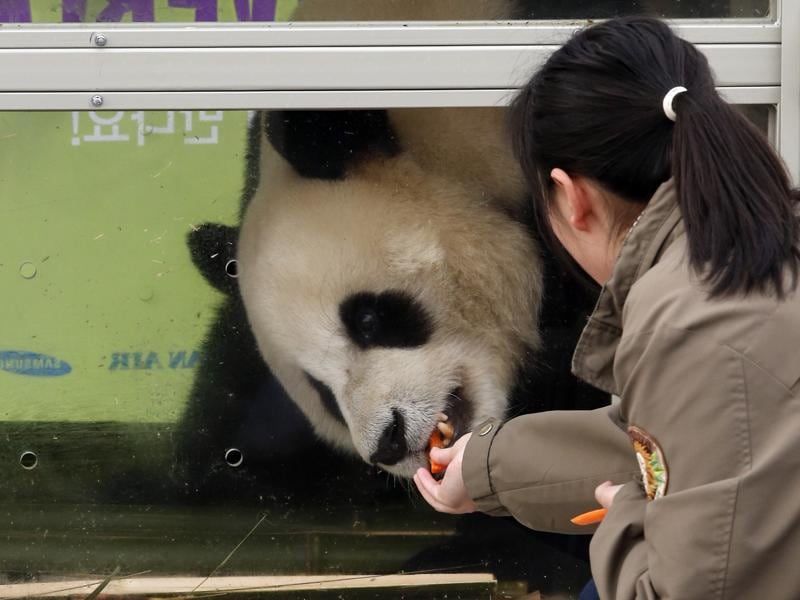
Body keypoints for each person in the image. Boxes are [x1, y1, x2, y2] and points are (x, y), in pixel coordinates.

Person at [413, 16, 800, 600]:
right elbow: (684, 444)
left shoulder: (694, 318)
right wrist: (491, 465)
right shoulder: (750, 254)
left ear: (571, 198)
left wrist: (625, 517)